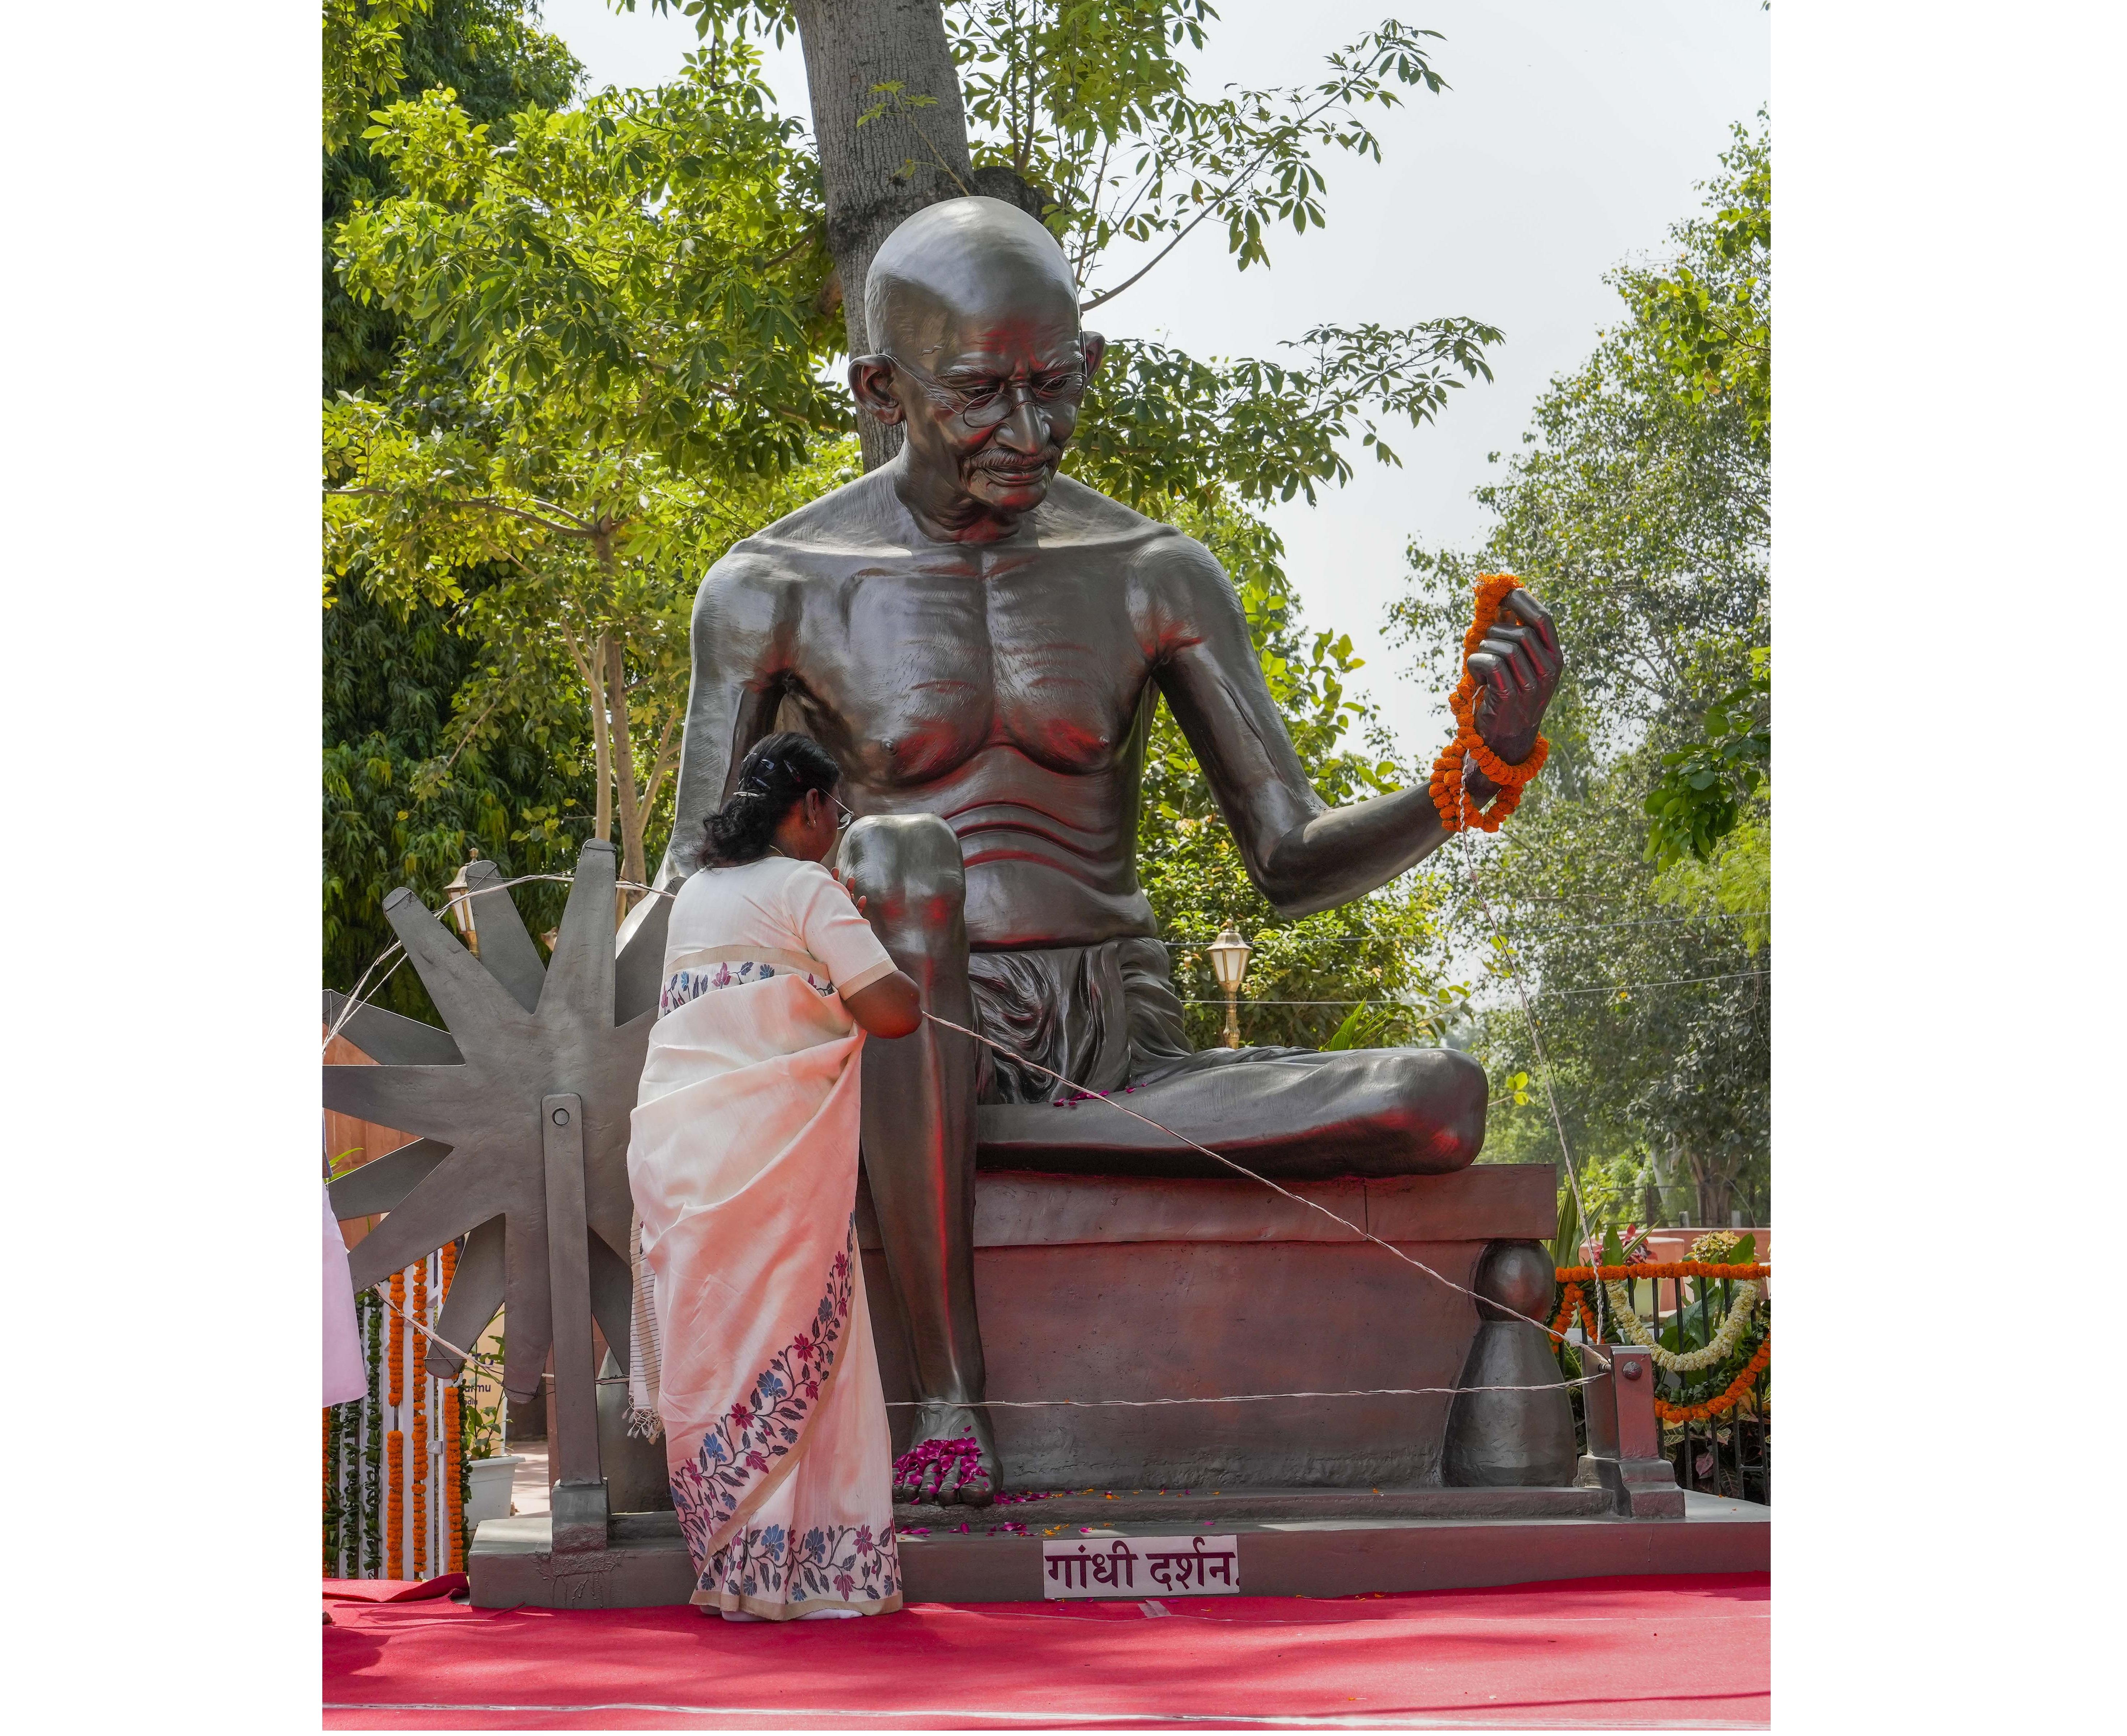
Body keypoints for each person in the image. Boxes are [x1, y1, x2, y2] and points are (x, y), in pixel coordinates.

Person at [654, 196, 1565, 1503]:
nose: (1026, 436)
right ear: (879, 389)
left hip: (1109, 1047)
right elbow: (701, 882)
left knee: (1439, 1098)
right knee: (905, 864)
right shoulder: (776, 586)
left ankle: (1024, 1152)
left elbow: (1290, 858)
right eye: (979, 396)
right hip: (902, 1027)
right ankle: (945, 1397)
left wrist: (1471, 773)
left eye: (1056, 385)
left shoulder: (1151, 572)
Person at [627, 733, 923, 1621]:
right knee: (803, 1348)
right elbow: (896, 1010)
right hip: (777, 1166)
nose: (838, 827)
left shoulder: (695, 897)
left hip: (688, 1157)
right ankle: (813, 1575)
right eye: (836, 809)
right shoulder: (807, 889)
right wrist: (865, 934)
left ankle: (733, 1570)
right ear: (806, 807)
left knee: (724, 1347)